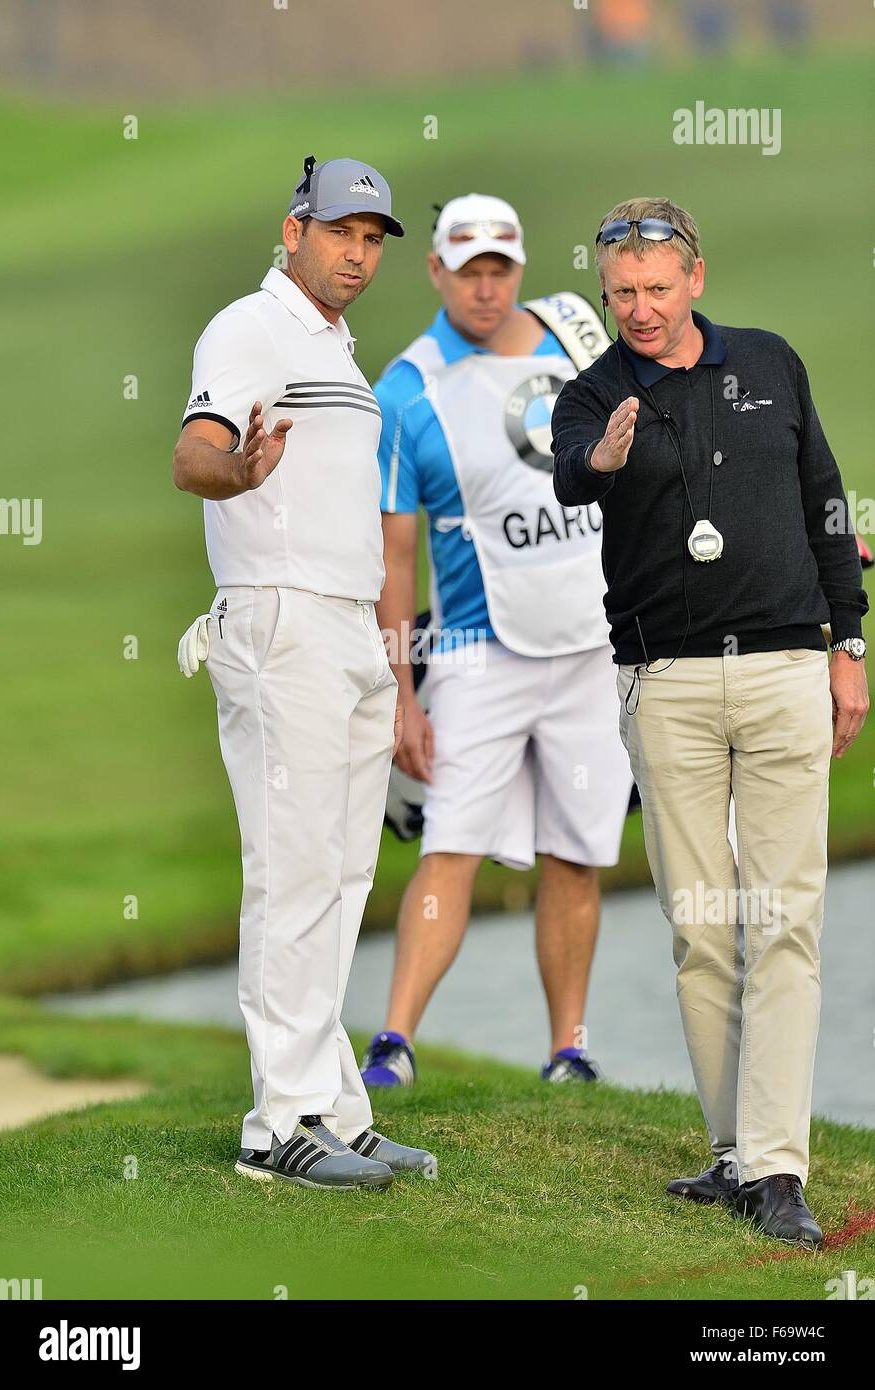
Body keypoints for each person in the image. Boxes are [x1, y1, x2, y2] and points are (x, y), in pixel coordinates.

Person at [552, 196, 869, 1246]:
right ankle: (736, 1153)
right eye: (621, 295)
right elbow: (567, 474)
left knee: (783, 920)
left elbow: (825, 500)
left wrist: (849, 646)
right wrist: (602, 459)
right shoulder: (595, 392)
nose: (640, 310)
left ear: (695, 277)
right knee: (701, 928)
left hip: (784, 665)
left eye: (655, 288)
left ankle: (778, 1171)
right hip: (665, 683)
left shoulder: (769, 364)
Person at [172, 155, 435, 1190]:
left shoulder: (333, 346)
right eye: (341, 235)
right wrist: (238, 469)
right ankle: (275, 1126)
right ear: (295, 230)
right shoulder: (251, 326)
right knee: (291, 871)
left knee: (337, 874)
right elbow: (194, 454)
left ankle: (332, 1103)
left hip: (347, 633)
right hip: (280, 622)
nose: (358, 256)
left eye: (372, 241)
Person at [361, 193, 634, 1090]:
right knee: (452, 843)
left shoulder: (575, 335)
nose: (485, 289)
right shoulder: (406, 391)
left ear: (518, 269)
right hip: (480, 650)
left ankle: (569, 1050)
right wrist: (402, 693)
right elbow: (395, 558)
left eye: (499, 270)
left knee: (579, 849)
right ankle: (394, 1042)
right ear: (436, 270)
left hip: (594, 642)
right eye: (467, 271)